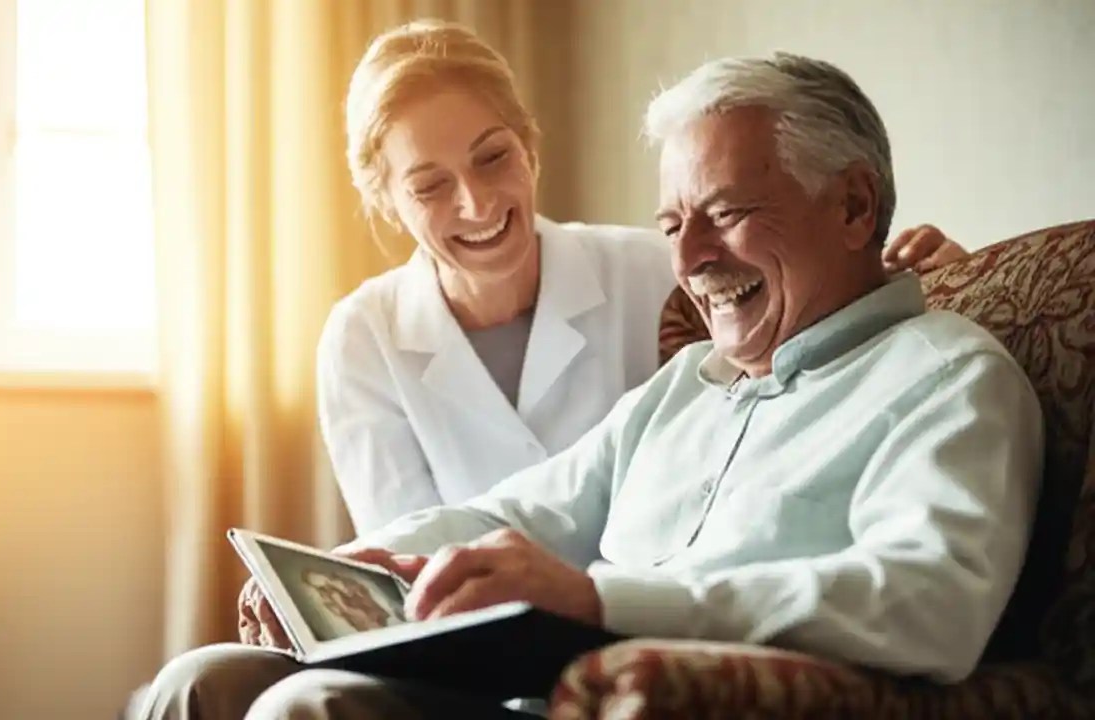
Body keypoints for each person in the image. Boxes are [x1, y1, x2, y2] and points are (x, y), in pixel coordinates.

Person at [137, 52, 1041, 719]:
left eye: (724, 215)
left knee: (312, 710)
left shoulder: (949, 375)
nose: (685, 261)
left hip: (669, 697)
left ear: (852, 206)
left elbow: (930, 600)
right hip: (541, 685)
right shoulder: (691, 378)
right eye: (674, 223)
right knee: (202, 682)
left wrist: (603, 602)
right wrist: (354, 569)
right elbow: (524, 511)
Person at [319, 19, 967, 535]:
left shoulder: (665, 271)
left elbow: (807, 289)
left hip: (638, 614)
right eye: (430, 185)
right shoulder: (361, 339)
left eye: (493, 157)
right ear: (386, 200)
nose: (477, 203)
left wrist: (915, 278)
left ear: (530, 147)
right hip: (461, 638)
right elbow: (403, 547)